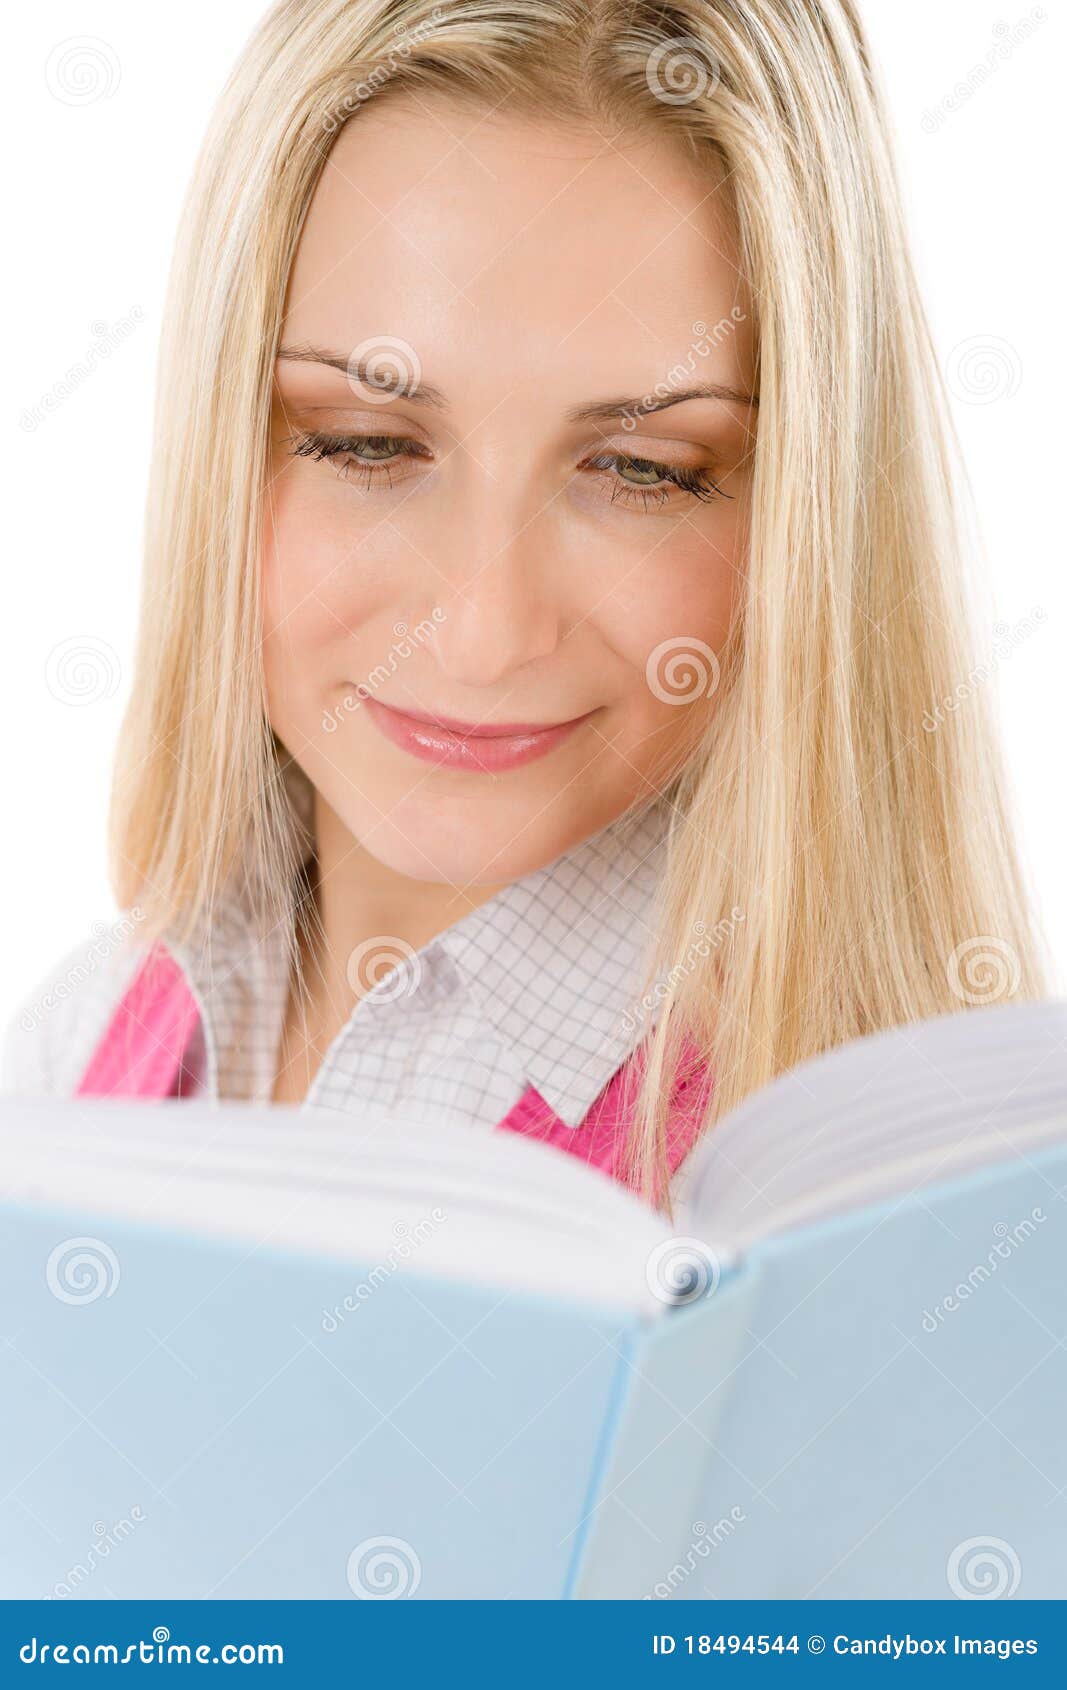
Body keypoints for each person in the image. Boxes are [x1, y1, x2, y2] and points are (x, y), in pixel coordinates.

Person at [3, 0, 1047, 1208]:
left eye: (643, 470)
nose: (484, 633)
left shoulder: (878, 1197)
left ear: (809, 521)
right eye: (364, 444)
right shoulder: (81, 1045)